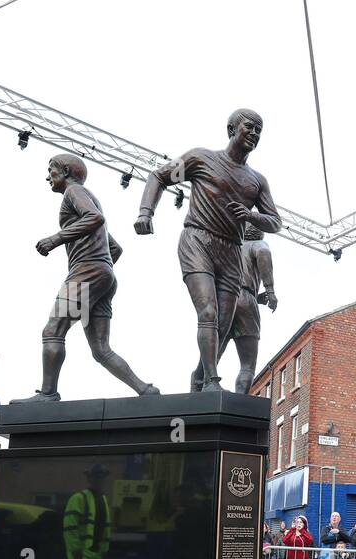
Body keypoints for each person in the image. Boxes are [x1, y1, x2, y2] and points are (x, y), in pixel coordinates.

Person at [135, 108, 282, 393]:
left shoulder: (257, 181)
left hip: (231, 250)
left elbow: (275, 222)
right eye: (249, 127)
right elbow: (159, 177)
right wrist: (145, 213)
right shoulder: (202, 158)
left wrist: (251, 216)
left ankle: (200, 376)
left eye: (258, 131)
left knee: (224, 325)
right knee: (209, 312)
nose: (254, 134)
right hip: (198, 240)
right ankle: (213, 381)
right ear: (231, 129)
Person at [18, 154, 159, 402]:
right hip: (103, 276)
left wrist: (56, 239)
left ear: (66, 171)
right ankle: (146, 391)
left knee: (52, 330)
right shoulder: (87, 197)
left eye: (51, 170)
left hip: (87, 272)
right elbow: (115, 248)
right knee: (101, 350)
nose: (47, 176)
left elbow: (95, 218)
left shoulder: (74, 192)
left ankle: (48, 394)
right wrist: (100, 272)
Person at [223, 223, 279, 393]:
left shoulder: (229, 247)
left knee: (212, 357)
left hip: (223, 298)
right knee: (247, 365)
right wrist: (270, 290)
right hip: (245, 300)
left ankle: (200, 390)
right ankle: (239, 403)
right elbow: (264, 253)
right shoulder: (258, 245)